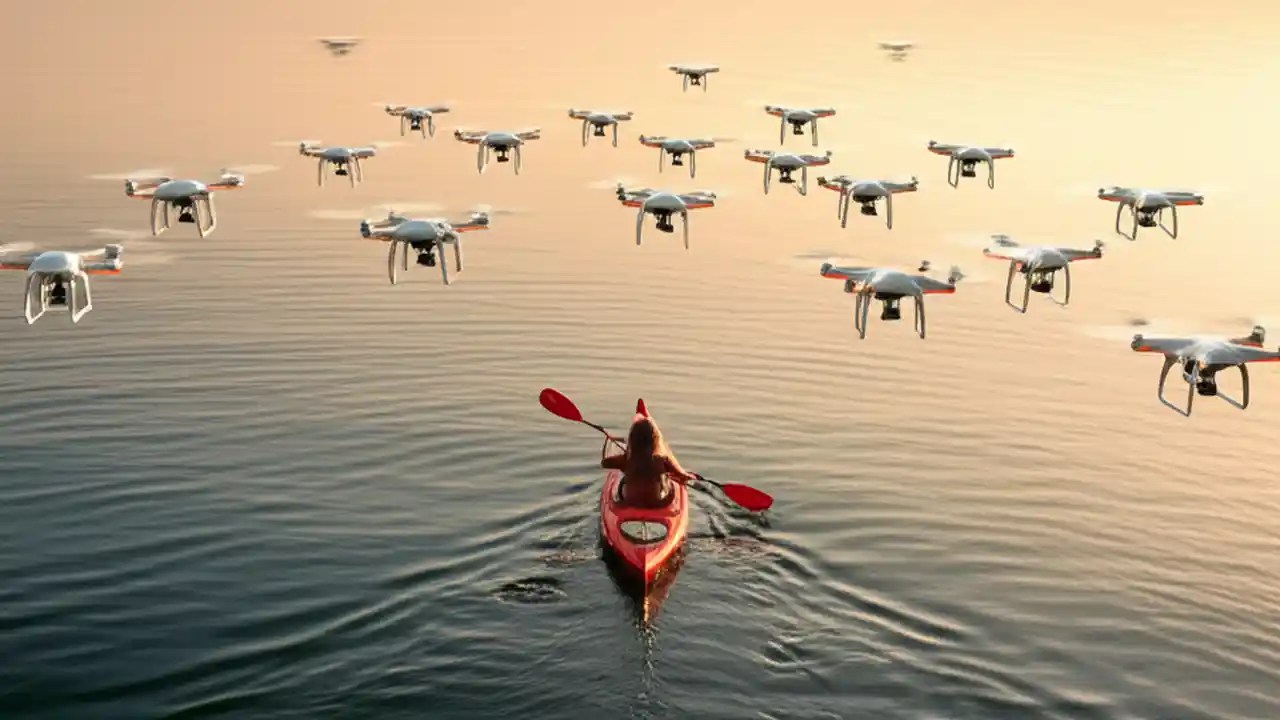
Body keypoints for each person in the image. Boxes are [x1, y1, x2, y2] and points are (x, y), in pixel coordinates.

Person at [601, 415, 697, 507]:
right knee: (666, 479)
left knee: (622, 479)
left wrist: (622, 451)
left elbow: (604, 463)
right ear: (656, 439)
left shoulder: (625, 460)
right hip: (655, 503)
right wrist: (691, 476)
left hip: (630, 502)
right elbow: (683, 476)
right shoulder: (662, 459)